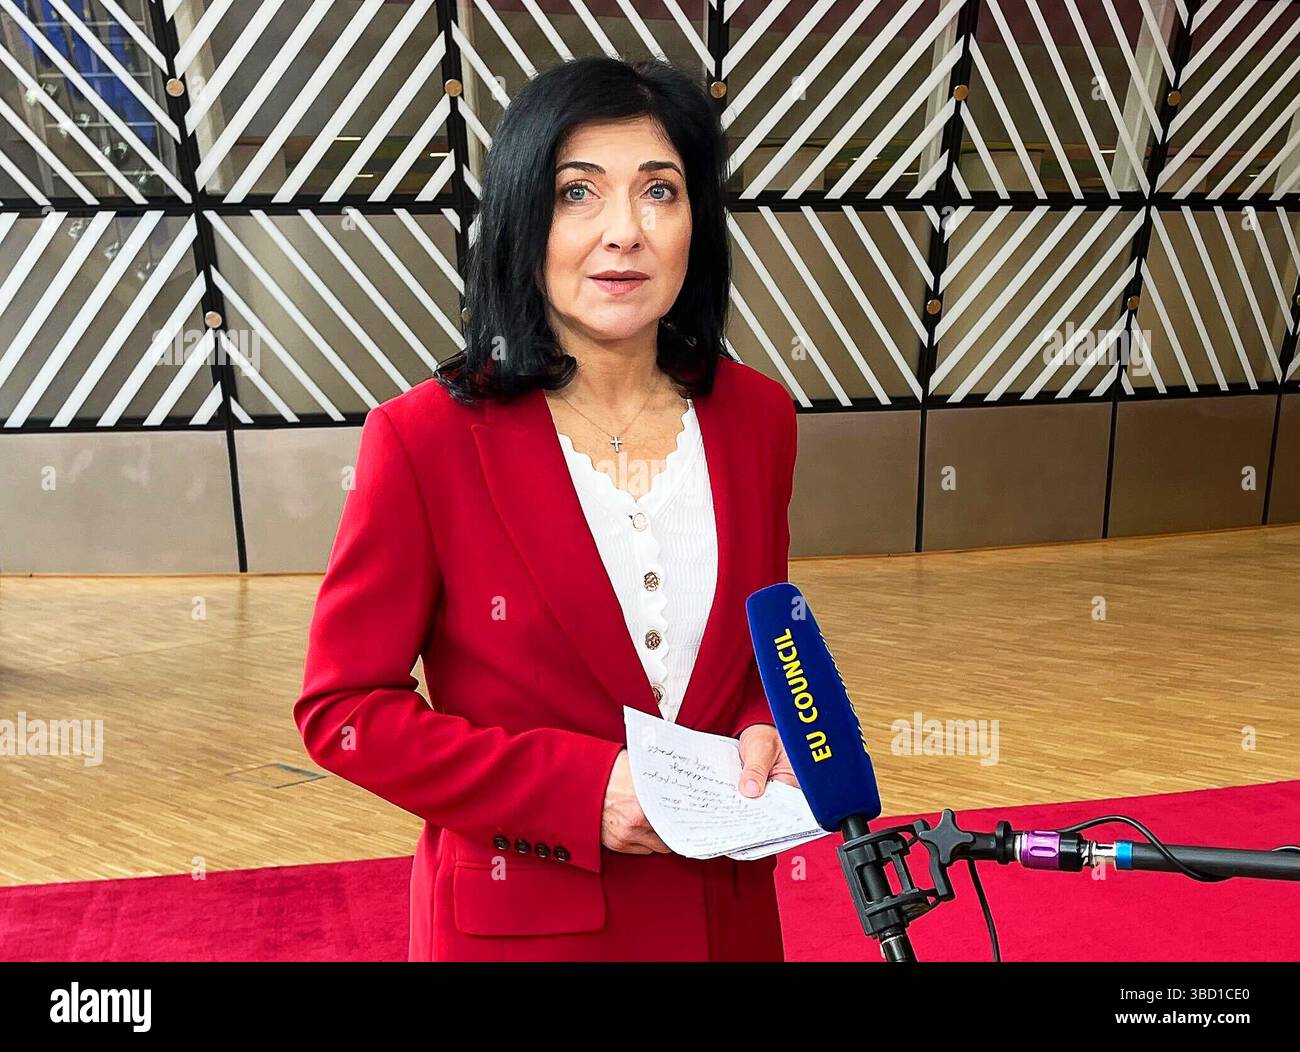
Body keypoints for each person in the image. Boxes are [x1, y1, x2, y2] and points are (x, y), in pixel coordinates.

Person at [294, 55, 799, 961]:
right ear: (525, 219)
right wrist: (580, 791)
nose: (624, 233)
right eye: (578, 193)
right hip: (526, 927)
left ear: (697, 224)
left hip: (727, 916)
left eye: (659, 192)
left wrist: (767, 716)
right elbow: (344, 711)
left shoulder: (756, 418)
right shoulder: (426, 439)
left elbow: (760, 636)